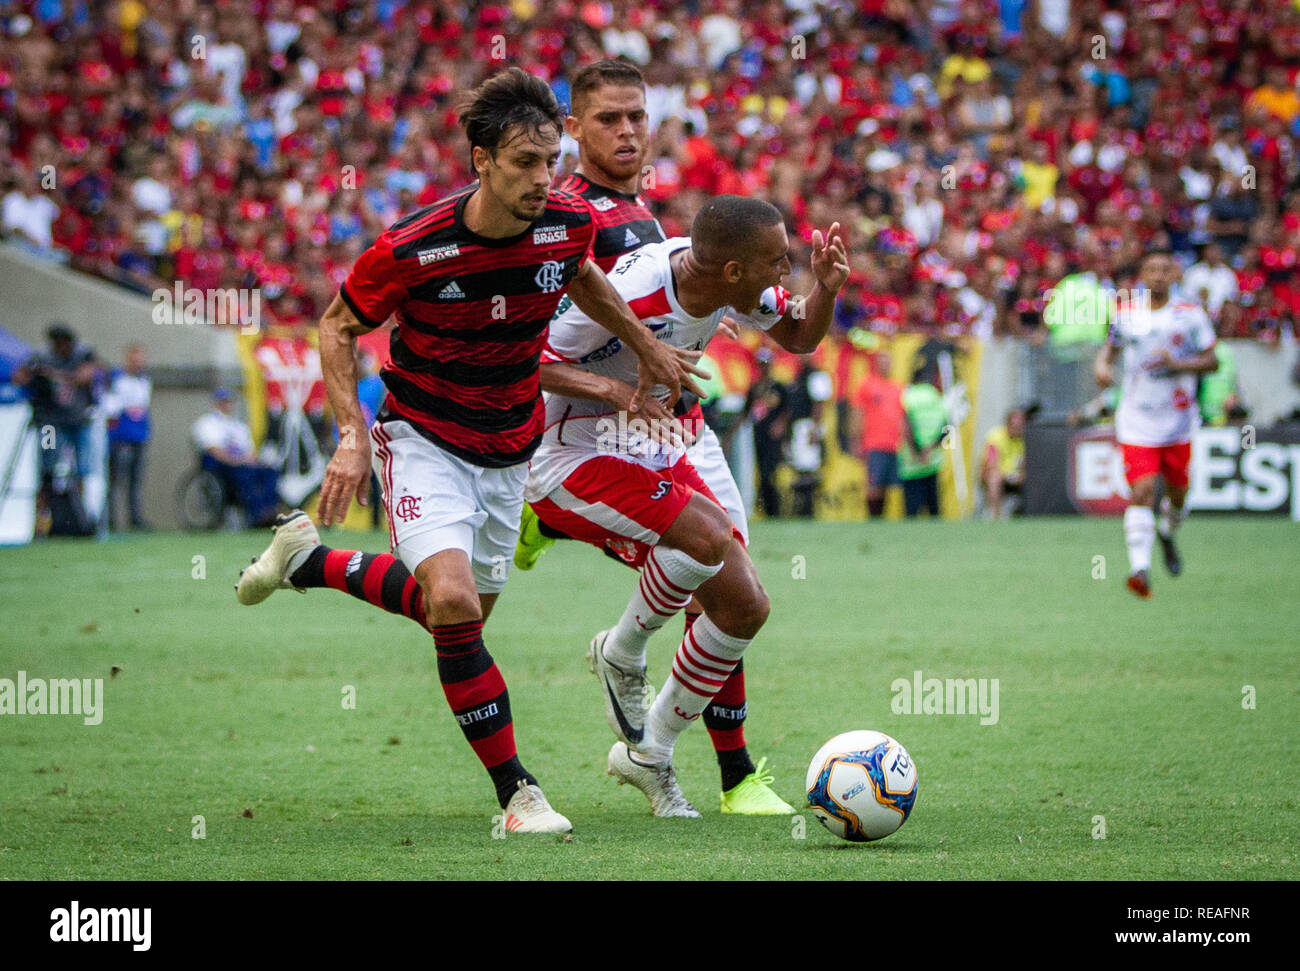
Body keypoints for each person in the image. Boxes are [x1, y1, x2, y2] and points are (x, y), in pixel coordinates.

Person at [234, 68, 696, 834]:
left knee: (457, 618)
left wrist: (646, 346)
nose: (543, 179)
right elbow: (336, 326)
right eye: (524, 163)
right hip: (423, 435)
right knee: (450, 602)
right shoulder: (414, 245)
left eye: (550, 160)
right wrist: (352, 437)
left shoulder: (567, 221)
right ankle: (518, 793)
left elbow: (580, 275)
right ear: (481, 160)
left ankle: (308, 560)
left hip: (508, 444)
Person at [512, 59, 791, 814]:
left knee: (737, 591)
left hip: (664, 421)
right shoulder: (567, 214)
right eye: (609, 119)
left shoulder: (638, 213)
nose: (628, 130)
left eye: (638, 115)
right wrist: (633, 361)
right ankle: (728, 775)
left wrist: (697, 314)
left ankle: (677, 760)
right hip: (600, 433)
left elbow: (659, 302)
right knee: (708, 558)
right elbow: (549, 338)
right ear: (573, 129)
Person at [525, 196, 848, 815]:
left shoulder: (732, 283)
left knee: (743, 606)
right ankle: (619, 652)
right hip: (566, 451)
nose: (785, 271)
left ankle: (649, 756)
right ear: (732, 271)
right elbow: (524, 358)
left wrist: (825, 288)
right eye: (778, 261)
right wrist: (614, 388)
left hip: (647, 443)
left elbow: (801, 332)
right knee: (705, 536)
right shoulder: (635, 290)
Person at [1095, 250, 1219, 599]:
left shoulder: (1189, 315)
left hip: (1178, 421)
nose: (1158, 276)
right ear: (1142, 276)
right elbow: (1110, 350)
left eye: (1165, 269)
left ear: (1174, 274)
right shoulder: (1127, 314)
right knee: (1142, 491)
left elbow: (1212, 361)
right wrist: (1102, 367)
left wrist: (1178, 363)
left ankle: (1167, 531)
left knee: (1178, 494)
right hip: (1136, 418)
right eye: (1152, 270)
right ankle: (1140, 569)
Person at [11, 323, 100, 530]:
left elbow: (85, 377)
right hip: (51, 423)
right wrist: (33, 371)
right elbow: (19, 377)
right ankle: (43, 519)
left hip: (78, 421)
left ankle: (81, 517)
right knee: (47, 468)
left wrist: (51, 373)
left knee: (82, 470)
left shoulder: (82, 354)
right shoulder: (40, 356)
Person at [191, 388, 280, 527]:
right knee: (245, 474)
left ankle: (267, 511)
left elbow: (250, 451)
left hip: (242, 462)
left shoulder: (238, 425)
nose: (226, 405)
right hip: (221, 465)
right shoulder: (207, 423)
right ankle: (256, 515)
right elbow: (214, 450)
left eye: (228, 401)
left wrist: (251, 460)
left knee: (269, 472)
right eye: (223, 401)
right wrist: (237, 461)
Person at [850, 350, 905, 518]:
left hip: (895, 444)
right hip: (874, 443)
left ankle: (882, 519)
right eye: (882, 360)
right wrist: (856, 441)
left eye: (888, 360)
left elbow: (903, 416)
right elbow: (857, 414)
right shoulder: (866, 384)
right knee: (874, 485)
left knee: (890, 485)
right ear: (875, 363)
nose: (885, 364)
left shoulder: (897, 386)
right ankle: (874, 519)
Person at [104, 344, 152, 530]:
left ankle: (135, 519)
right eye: (134, 359)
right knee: (116, 480)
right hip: (121, 438)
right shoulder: (117, 379)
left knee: (136, 481)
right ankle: (111, 520)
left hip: (139, 437)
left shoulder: (144, 381)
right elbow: (111, 408)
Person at [898, 365, 948, 518]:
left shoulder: (907, 396)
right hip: (932, 459)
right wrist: (930, 448)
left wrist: (918, 451)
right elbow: (946, 428)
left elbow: (906, 425)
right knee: (933, 508)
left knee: (912, 510)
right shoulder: (937, 396)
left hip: (912, 459)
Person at [745, 348, 790, 518]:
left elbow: (787, 410)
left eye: (766, 364)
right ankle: (767, 510)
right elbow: (746, 411)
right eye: (761, 364)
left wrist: (780, 425)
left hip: (774, 436)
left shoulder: (778, 386)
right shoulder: (755, 387)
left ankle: (775, 510)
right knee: (761, 472)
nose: (764, 367)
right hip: (758, 434)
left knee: (772, 471)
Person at [981, 406, 1026, 519]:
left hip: (1018, 478)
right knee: (994, 478)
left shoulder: (1025, 439)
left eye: (1020, 426)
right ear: (1007, 424)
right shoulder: (994, 437)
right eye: (1015, 426)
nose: (1018, 429)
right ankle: (994, 515)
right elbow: (991, 464)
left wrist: (1021, 475)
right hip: (1002, 476)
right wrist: (1008, 476)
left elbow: (1025, 463)